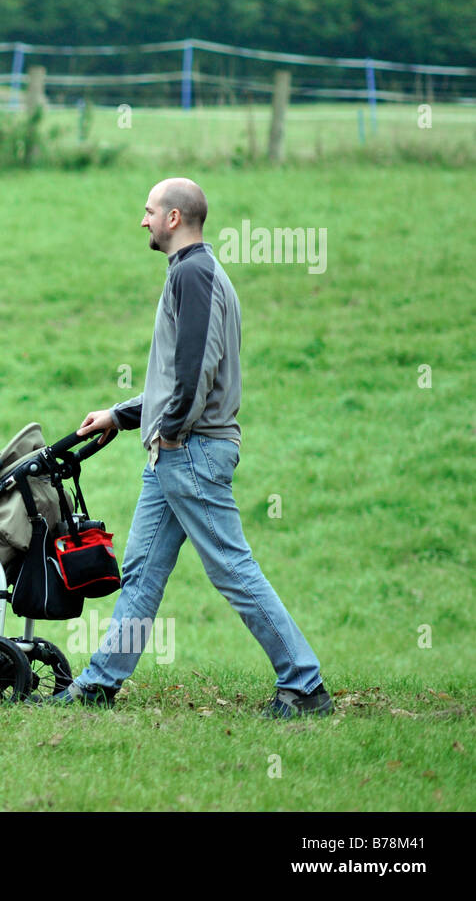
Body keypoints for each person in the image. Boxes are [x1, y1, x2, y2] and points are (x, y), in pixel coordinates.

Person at [51, 177, 331, 718]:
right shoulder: (192, 272)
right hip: (174, 452)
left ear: (174, 218)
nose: (143, 220)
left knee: (231, 567)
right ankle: (100, 684)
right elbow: (173, 376)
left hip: (191, 451)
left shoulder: (196, 274)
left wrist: (170, 430)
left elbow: (195, 370)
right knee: (141, 571)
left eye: (150, 211)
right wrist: (122, 415)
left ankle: (304, 684)